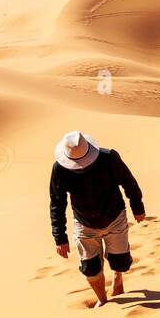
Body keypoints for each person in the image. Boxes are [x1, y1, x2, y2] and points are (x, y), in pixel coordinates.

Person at [49, 131, 145, 307]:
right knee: (90, 268)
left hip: (114, 216)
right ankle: (102, 299)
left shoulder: (109, 158)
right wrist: (59, 237)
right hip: (84, 223)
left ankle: (118, 278)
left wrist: (137, 207)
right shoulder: (59, 169)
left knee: (120, 260)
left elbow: (129, 182)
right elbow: (57, 202)